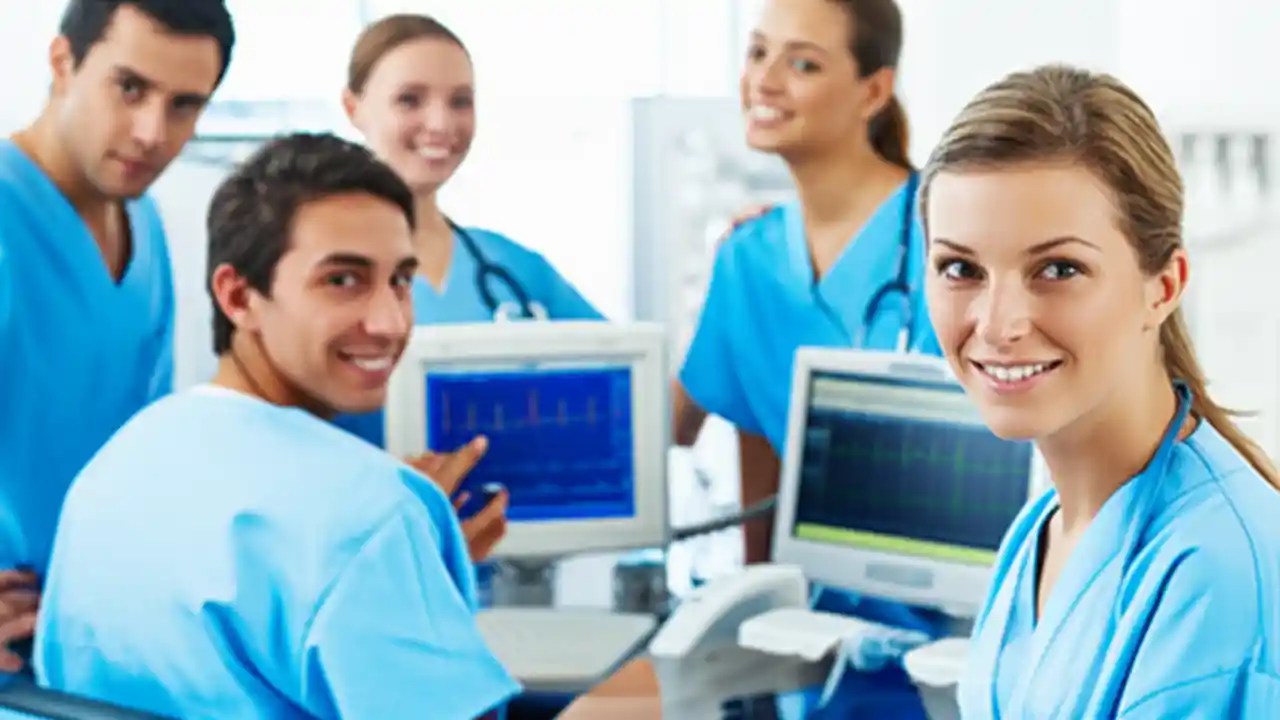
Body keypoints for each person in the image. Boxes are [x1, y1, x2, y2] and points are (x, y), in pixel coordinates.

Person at [35, 133, 522, 719]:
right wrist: (394, 559)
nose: (390, 323)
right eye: (342, 280)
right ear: (239, 297)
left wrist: (411, 578)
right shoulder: (371, 514)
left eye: (400, 280)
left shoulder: (115, 468)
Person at [920, 64, 1280, 717]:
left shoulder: (1219, 571)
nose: (997, 324)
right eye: (960, 267)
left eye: (1058, 269)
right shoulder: (1040, 532)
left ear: (1163, 287)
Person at [0, 0, 234, 666]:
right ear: (62, 62)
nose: (151, 132)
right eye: (129, 88)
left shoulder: (145, 228)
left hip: (88, 642)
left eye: (184, 105)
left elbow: (137, 458)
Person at [675, 0, 940, 565]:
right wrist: (762, 605)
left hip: (948, 600)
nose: (764, 81)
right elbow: (759, 466)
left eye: (803, 64)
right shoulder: (746, 257)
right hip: (806, 604)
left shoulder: (949, 237)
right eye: (757, 53)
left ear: (874, 91)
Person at [334, 13, 604, 448]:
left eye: (460, 101)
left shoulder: (515, 268)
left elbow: (637, 393)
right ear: (354, 108)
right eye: (409, 100)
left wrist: (725, 277)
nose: (441, 124)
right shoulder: (313, 268)